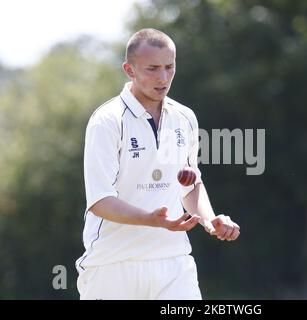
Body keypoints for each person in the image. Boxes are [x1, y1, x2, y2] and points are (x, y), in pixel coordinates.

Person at [75, 28, 240, 300]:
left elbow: (189, 185)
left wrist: (211, 221)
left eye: (169, 67)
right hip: (113, 266)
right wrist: (152, 220)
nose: (163, 78)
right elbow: (100, 200)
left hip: (174, 263)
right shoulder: (107, 120)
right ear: (129, 69)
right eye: (152, 69)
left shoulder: (185, 117)